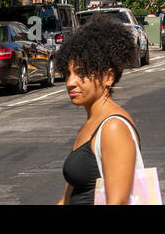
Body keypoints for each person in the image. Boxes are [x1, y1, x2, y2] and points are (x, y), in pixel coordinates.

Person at [56, 18, 140, 205]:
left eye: (81, 73)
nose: (70, 82)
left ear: (108, 77)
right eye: (68, 73)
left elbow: (118, 202)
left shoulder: (113, 127)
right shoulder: (91, 123)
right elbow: (67, 199)